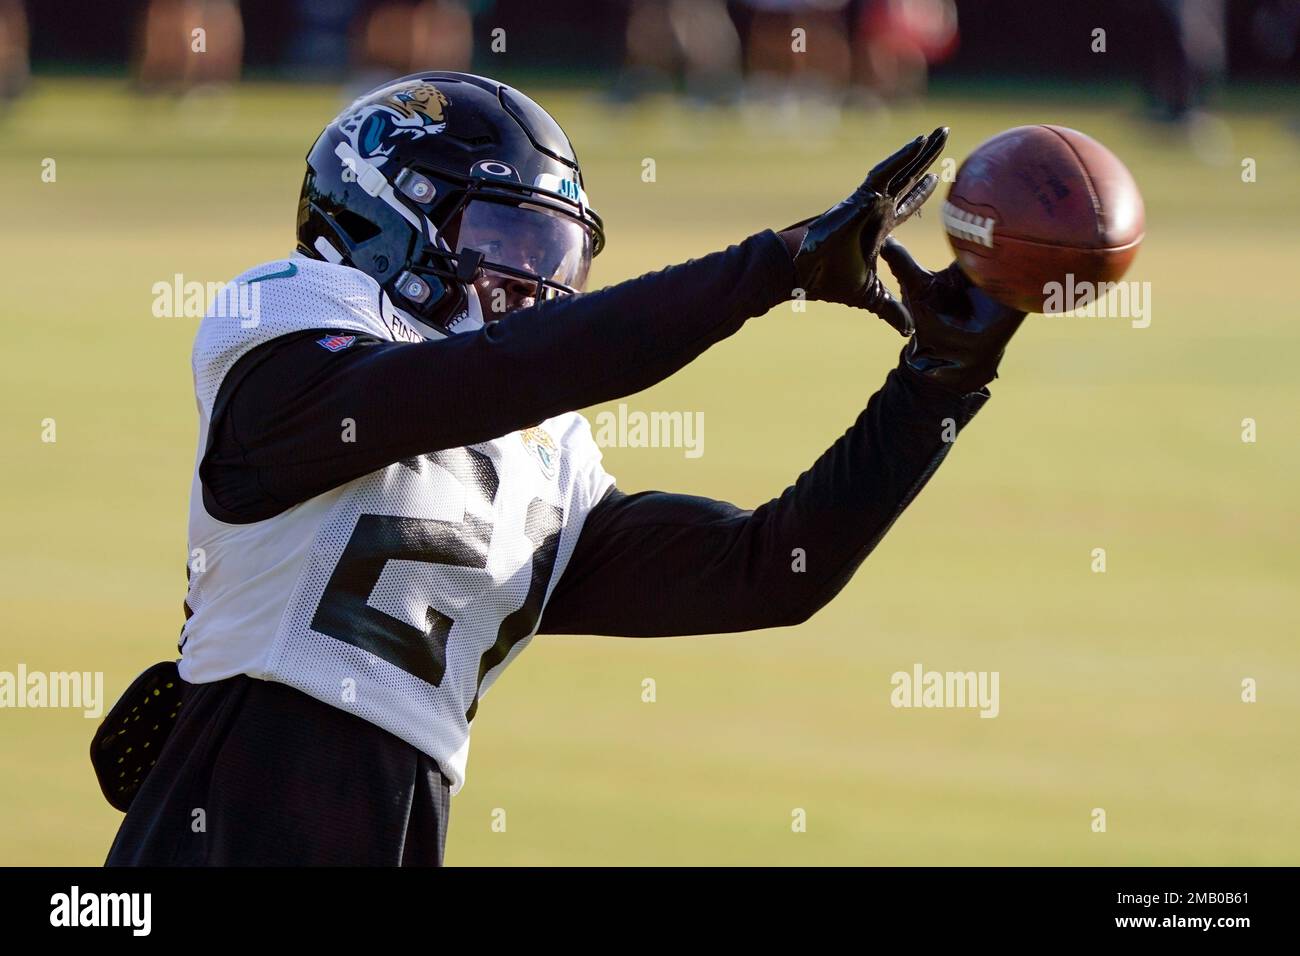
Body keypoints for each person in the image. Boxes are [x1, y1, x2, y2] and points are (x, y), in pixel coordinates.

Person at [96, 71, 1025, 866]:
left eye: (555, 254)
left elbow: (771, 571)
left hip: (399, 822)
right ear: (382, 210)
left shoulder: (540, 456)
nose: (535, 282)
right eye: (506, 242)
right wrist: (772, 268)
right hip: (219, 820)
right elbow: (509, 369)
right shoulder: (283, 328)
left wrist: (936, 386)